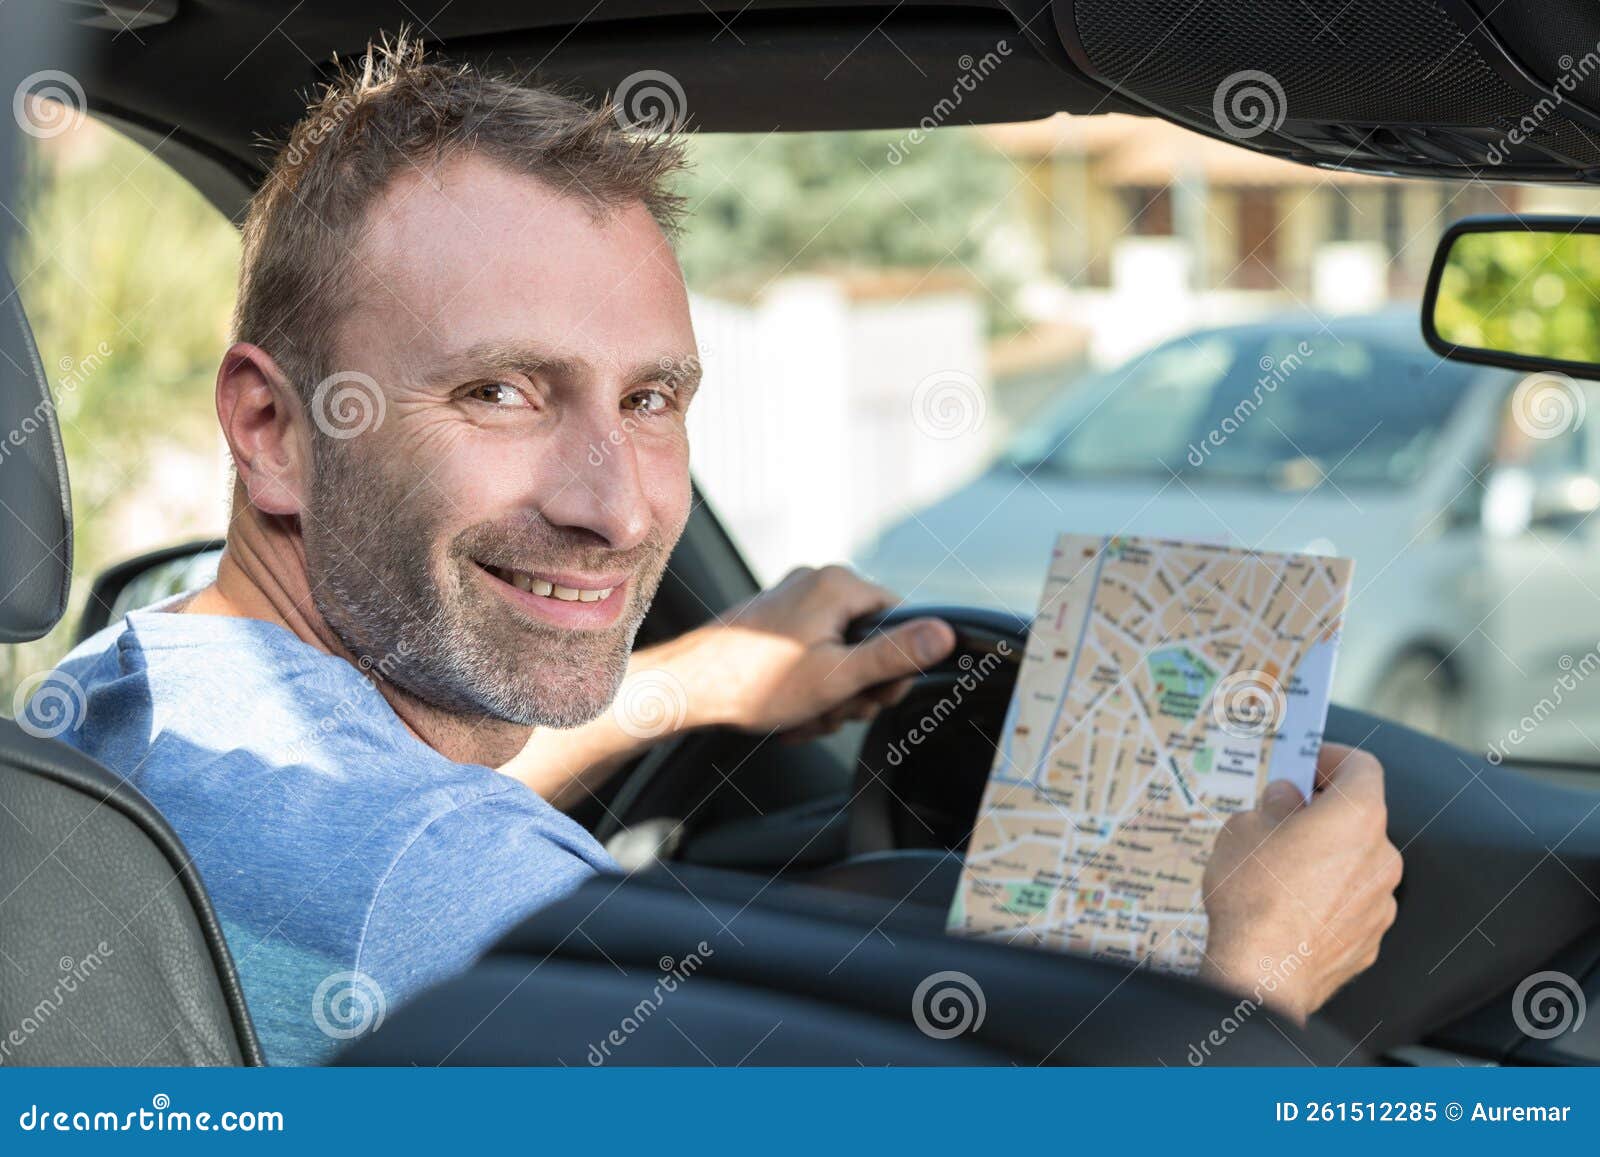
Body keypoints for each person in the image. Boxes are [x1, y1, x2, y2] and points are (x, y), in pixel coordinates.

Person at [47, 36, 1400, 1064]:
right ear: (273, 429)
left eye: (649, 400)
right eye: (502, 392)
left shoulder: (136, 692)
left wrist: (693, 683)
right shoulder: (477, 906)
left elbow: (362, 795)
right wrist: (1248, 984)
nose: (621, 509)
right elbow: (415, 853)